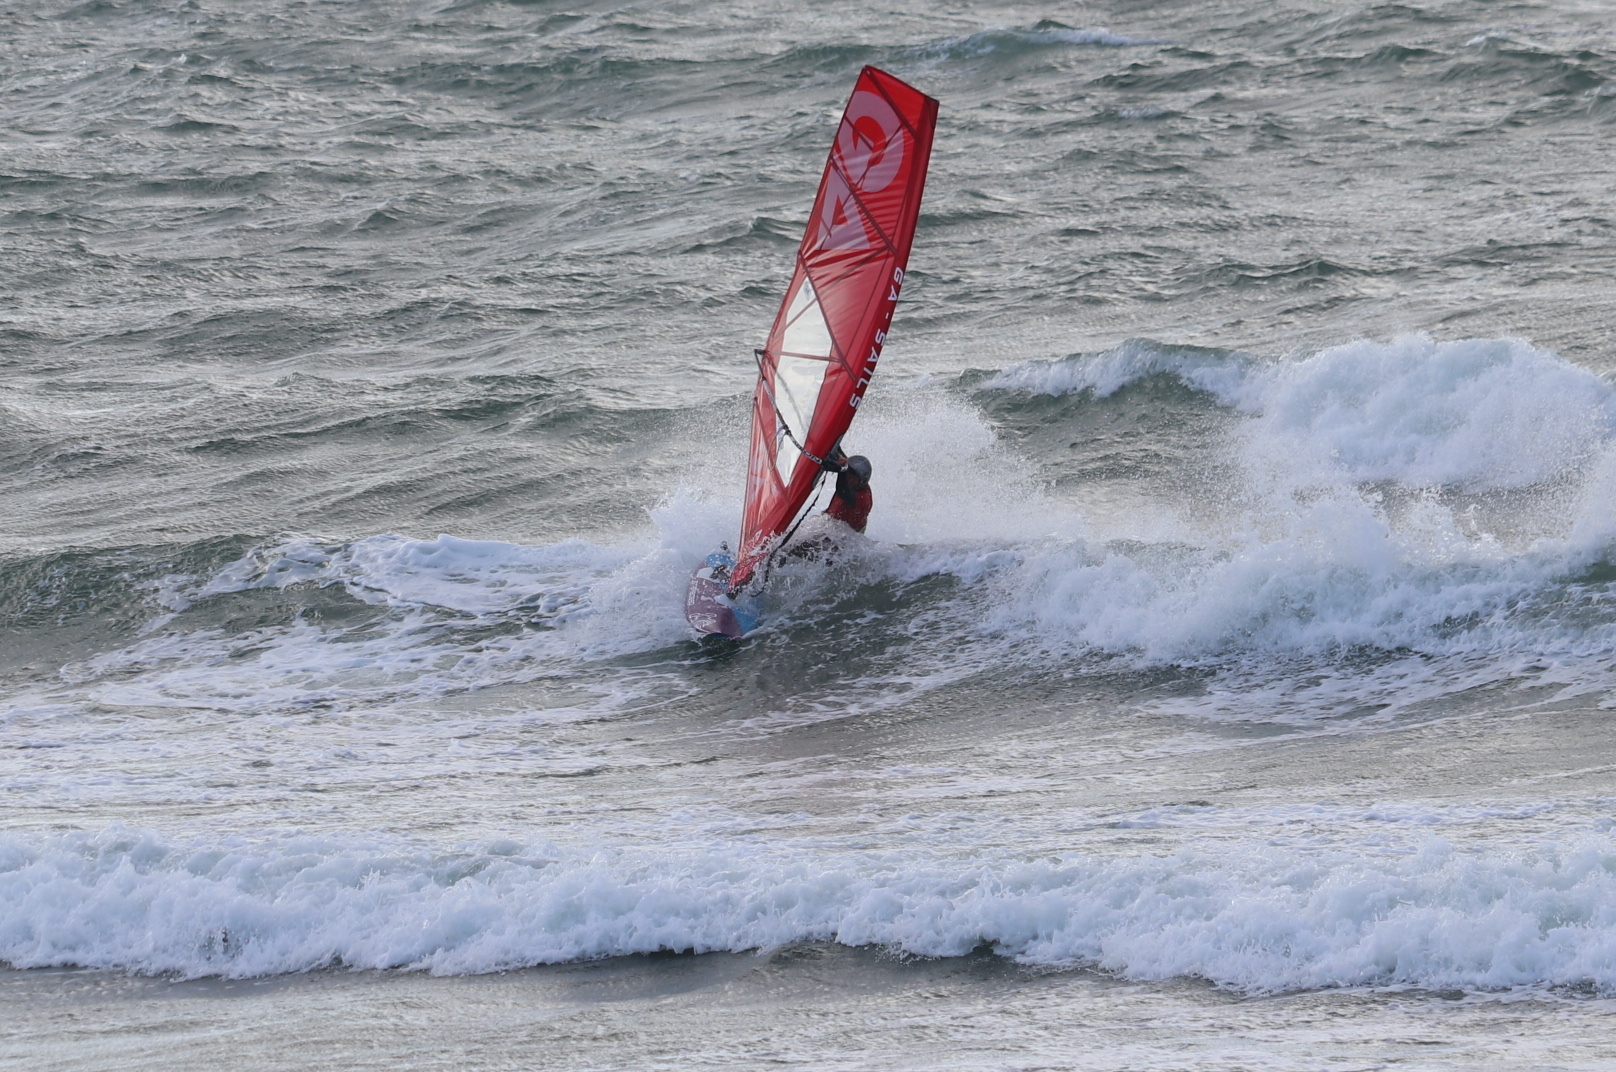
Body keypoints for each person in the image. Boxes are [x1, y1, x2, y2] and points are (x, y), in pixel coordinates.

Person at [819, 447, 873, 533]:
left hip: (846, 539)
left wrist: (842, 470)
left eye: (852, 474)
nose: (848, 476)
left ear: (861, 480)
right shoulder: (856, 482)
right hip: (830, 523)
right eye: (848, 472)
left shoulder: (863, 499)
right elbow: (843, 461)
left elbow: (842, 490)